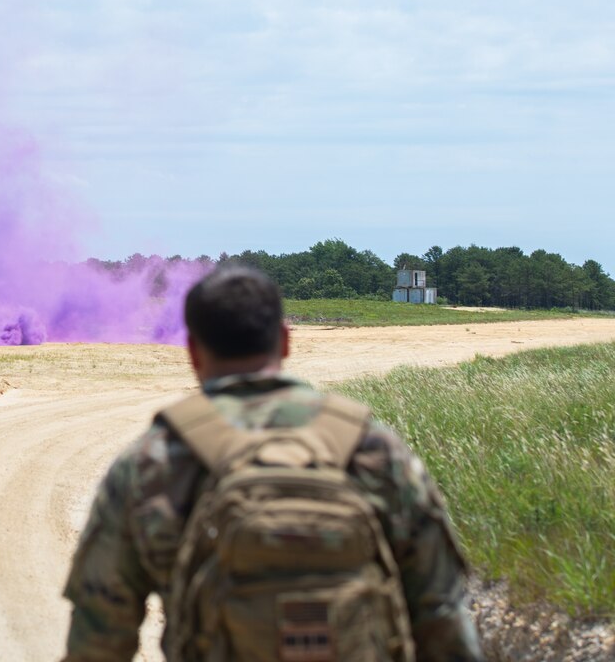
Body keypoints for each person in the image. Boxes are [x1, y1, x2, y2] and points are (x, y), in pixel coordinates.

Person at [62, 266, 482, 661]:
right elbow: (441, 613)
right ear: (284, 340)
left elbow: (99, 636)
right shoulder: (374, 450)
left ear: (192, 351)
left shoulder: (151, 463)